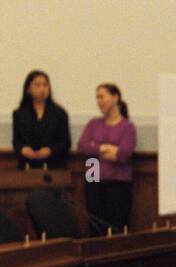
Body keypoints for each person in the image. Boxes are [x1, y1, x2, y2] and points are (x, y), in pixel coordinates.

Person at [76, 83, 136, 235]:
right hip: (93, 176)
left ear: (115, 98)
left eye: (102, 96)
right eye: (97, 97)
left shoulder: (127, 127)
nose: (99, 101)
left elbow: (123, 154)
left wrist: (95, 147)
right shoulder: (93, 123)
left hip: (118, 181)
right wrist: (103, 148)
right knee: (95, 226)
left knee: (115, 226)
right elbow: (82, 147)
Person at [11, 70, 70, 170]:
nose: (42, 89)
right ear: (28, 89)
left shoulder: (59, 113)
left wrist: (50, 150)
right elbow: (16, 141)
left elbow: (65, 143)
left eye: (45, 85)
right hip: (27, 166)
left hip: (53, 166)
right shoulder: (19, 114)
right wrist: (23, 149)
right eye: (37, 85)